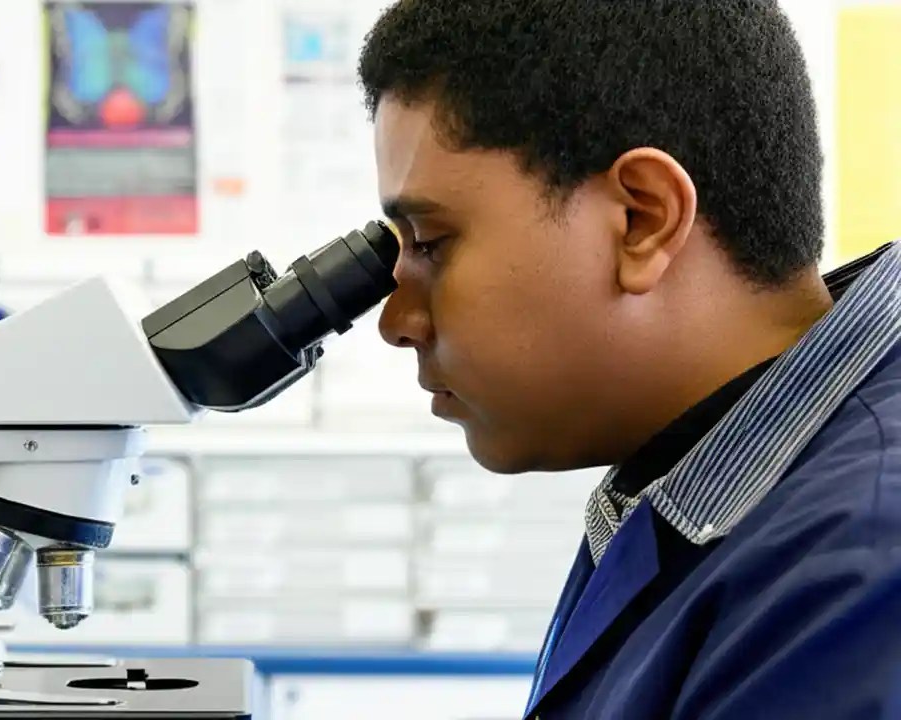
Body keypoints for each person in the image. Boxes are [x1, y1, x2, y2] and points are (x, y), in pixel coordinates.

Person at [358, 1, 901, 718]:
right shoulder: (697, 491)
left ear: (642, 220)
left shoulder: (856, 570)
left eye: (429, 243)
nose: (397, 323)